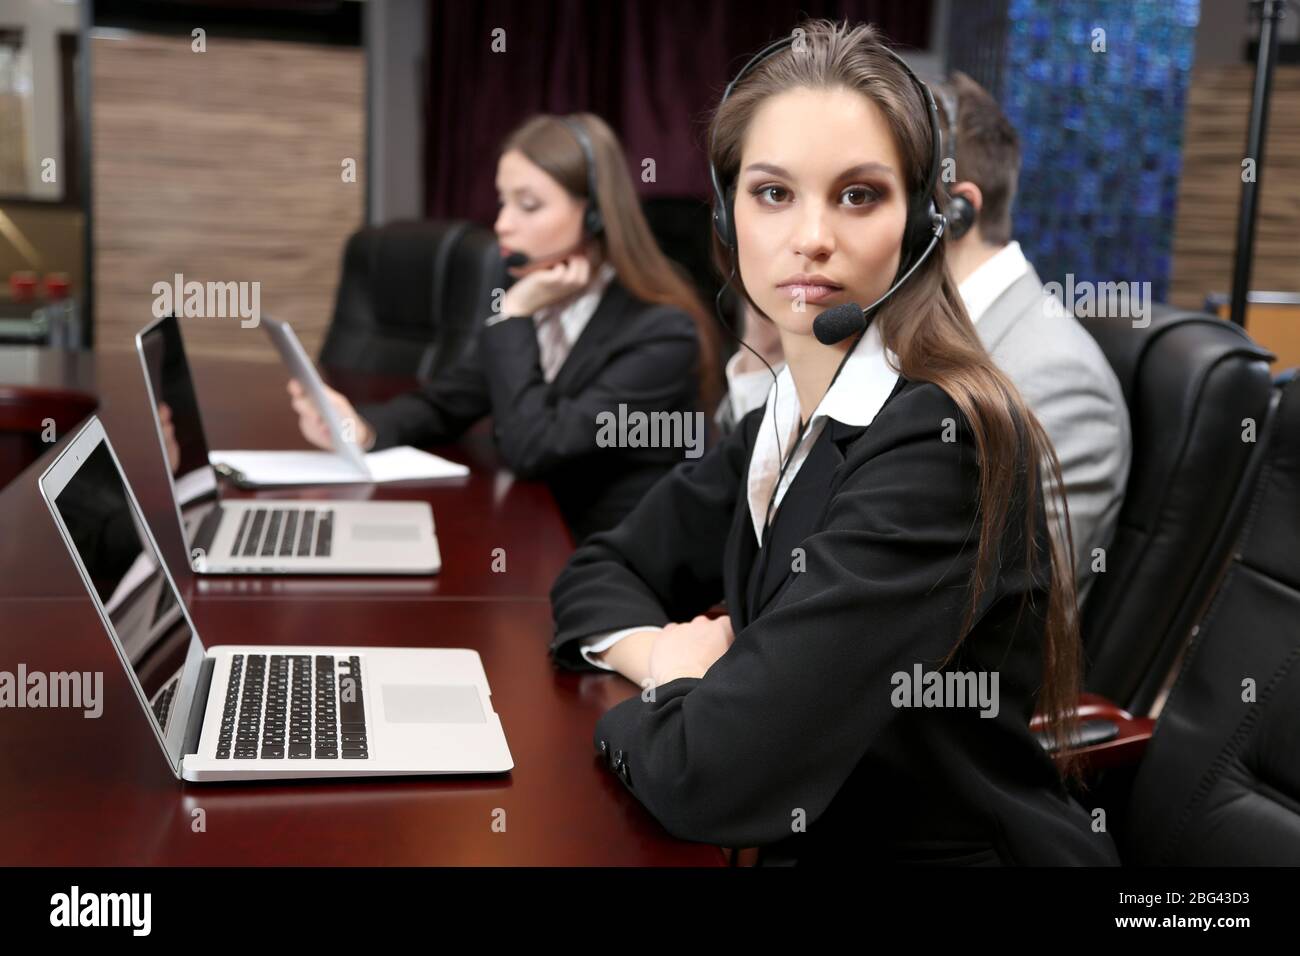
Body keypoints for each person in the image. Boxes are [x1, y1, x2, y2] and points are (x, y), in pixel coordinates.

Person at [548, 19, 1120, 865]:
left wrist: (678, 692)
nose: (810, 236)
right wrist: (660, 653)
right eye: (772, 193)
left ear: (924, 224)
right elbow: (599, 570)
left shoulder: (941, 446)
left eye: (859, 195)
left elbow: (710, 771)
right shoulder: (785, 416)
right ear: (726, 212)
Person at [718, 72, 1131, 610]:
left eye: (860, 195)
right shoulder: (870, 340)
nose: (817, 235)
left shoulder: (1050, 377)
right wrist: (770, 344)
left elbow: (1017, 619)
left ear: (941, 217)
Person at [288, 113, 721, 543]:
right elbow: (446, 404)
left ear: (593, 213)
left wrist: (514, 315)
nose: (501, 224)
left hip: (610, 560)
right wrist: (361, 430)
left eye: (528, 205)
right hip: (535, 534)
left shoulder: (662, 334)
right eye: (503, 201)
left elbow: (535, 448)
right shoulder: (538, 293)